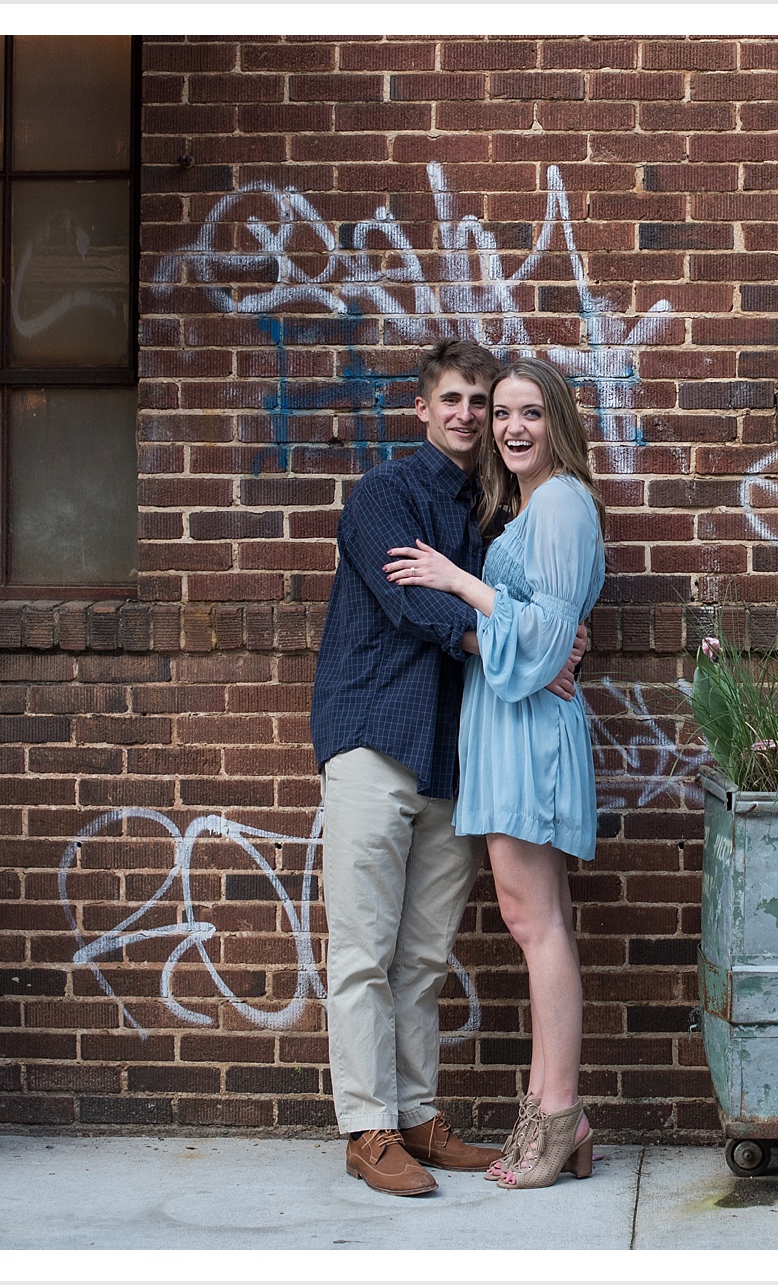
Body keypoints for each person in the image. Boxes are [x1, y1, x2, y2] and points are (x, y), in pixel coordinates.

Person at [310, 339, 585, 1198]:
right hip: (373, 739)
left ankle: (417, 1114)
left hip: (453, 757)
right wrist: (519, 643)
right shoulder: (384, 494)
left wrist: (546, 638)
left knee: (424, 954)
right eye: (456, 400)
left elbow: (538, 601)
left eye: (482, 402)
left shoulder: (494, 507)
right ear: (422, 408)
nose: (471, 416)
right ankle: (368, 1126)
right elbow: (413, 603)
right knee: (362, 948)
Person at [383, 356, 608, 1191]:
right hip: (510, 726)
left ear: (558, 424)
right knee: (535, 919)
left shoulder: (560, 502)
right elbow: (549, 626)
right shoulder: (528, 506)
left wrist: (455, 580)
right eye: (502, 412)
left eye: (530, 412)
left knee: (533, 921)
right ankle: (550, 1110)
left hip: (528, 732)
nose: (512, 427)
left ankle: (559, 1110)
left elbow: (543, 636)